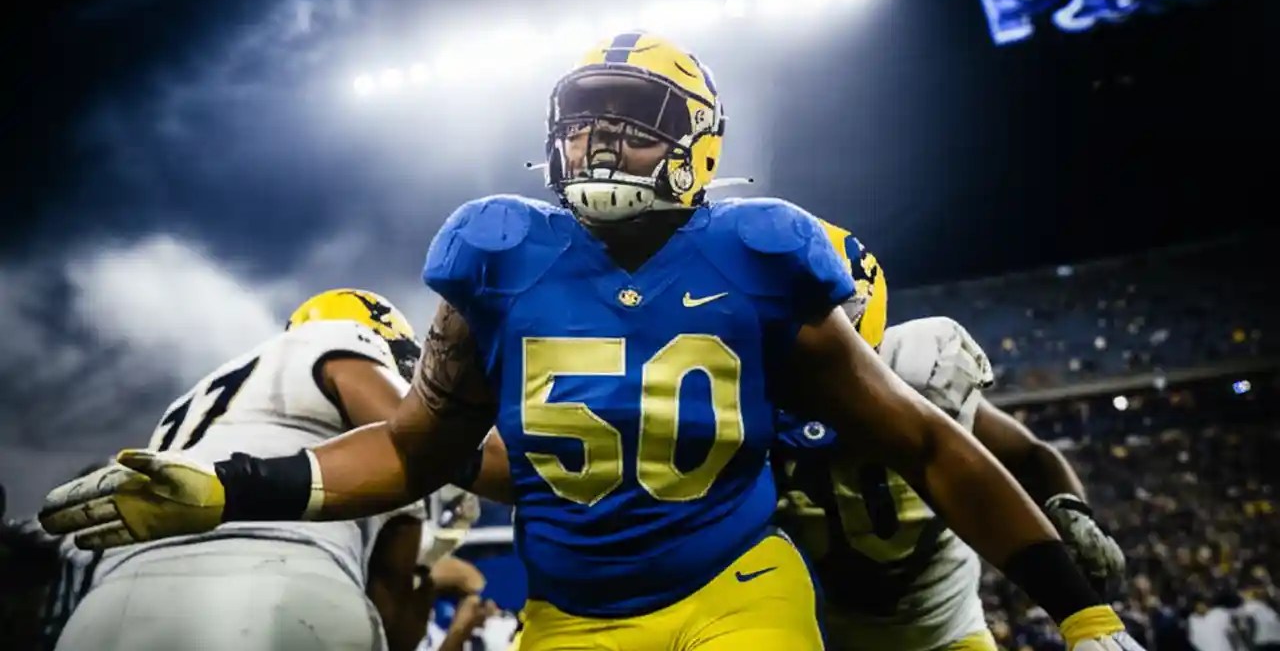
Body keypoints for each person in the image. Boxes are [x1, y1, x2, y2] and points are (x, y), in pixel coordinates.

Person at [41, 32, 1143, 651]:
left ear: (701, 148)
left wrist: (1079, 608)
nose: (601, 134)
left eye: (639, 116)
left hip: (737, 584)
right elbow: (419, 447)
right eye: (584, 115)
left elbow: (927, 444)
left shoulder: (761, 255)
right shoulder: (496, 254)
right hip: (571, 609)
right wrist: (233, 487)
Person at [46, 289, 431, 651]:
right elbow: (417, 441)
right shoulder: (338, 338)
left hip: (110, 604)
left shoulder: (188, 405)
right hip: (276, 584)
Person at [775, 315, 1126, 651]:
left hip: (947, 631)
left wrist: (1074, 513)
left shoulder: (913, 372)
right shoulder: (755, 405)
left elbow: (1028, 455)